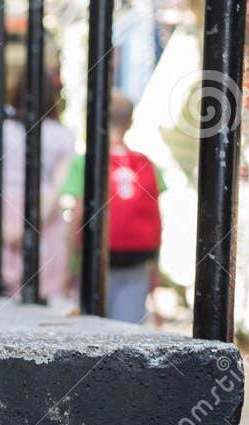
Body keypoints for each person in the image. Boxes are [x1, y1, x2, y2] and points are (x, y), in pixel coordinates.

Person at [62, 91, 164, 323]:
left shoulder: (85, 162)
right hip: (137, 260)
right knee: (126, 332)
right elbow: (158, 219)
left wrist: (70, 267)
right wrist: (155, 275)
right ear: (130, 123)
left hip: (95, 260)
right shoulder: (146, 163)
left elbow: (77, 215)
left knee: (91, 330)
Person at [0, 76, 76, 300]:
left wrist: (2, 224)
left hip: (5, 210)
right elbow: (57, 186)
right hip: (45, 216)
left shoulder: (1, 130)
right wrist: (31, 225)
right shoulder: (62, 135)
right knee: (44, 291)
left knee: (1, 294)